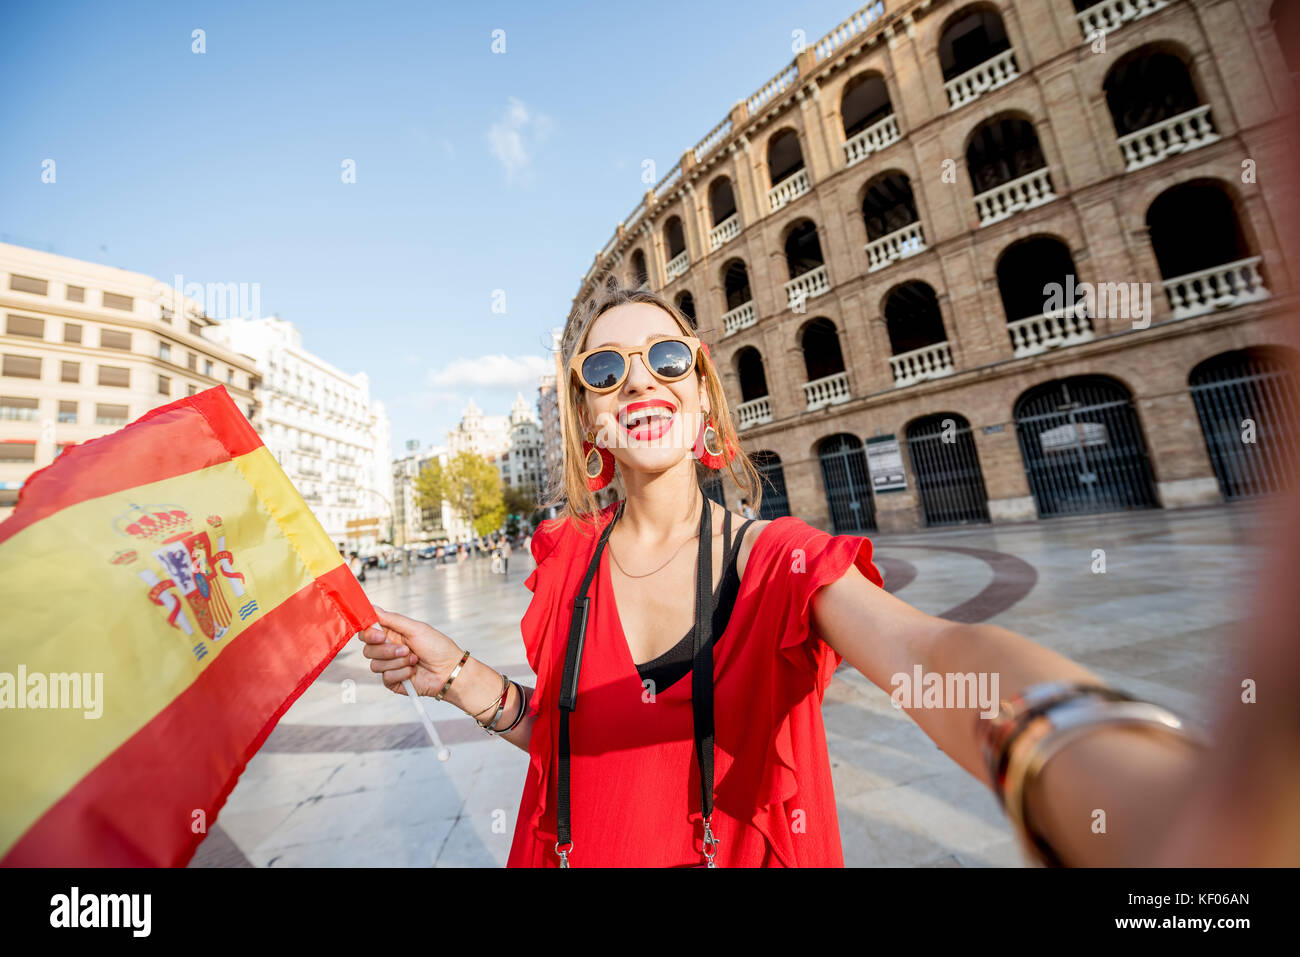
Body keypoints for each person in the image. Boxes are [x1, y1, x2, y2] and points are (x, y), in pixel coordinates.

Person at [359, 278, 1215, 868]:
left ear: (701, 396)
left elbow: (929, 654)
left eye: (667, 357)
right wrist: (459, 678)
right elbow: (567, 740)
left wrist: (1091, 757)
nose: (639, 381)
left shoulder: (778, 560)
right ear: (588, 418)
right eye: (605, 369)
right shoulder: (564, 565)